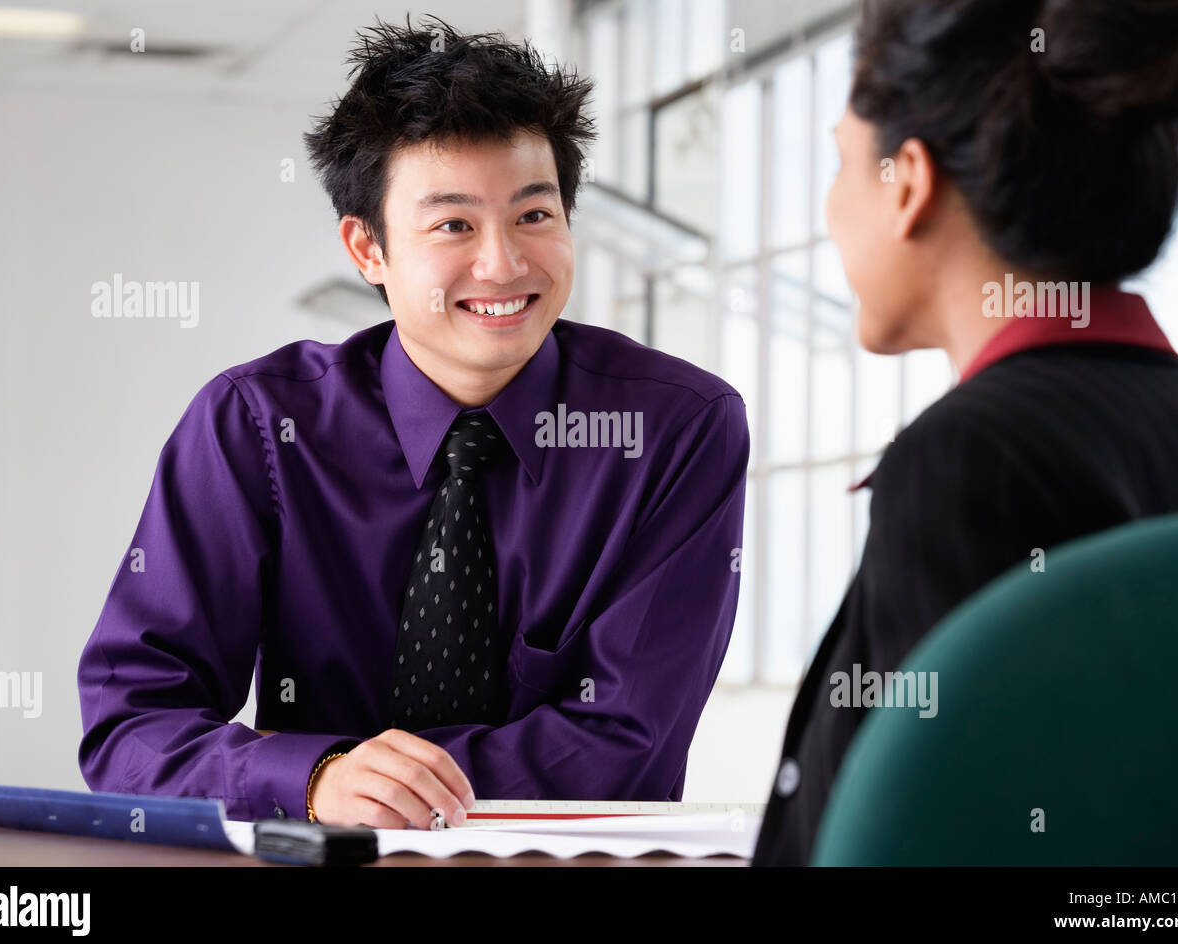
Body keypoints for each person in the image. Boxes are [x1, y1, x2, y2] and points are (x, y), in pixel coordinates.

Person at [77, 17, 749, 829]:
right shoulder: (255, 424)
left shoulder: (674, 429)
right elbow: (132, 727)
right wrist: (316, 777)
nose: (502, 264)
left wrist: (381, 789)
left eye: (534, 216)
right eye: (453, 225)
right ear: (368, 250)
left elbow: (625, 739)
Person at [754, 0, 1178, 865]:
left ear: (907, 183)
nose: (832, 207)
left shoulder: (963, 463)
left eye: (840, 163)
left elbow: (929, 837)